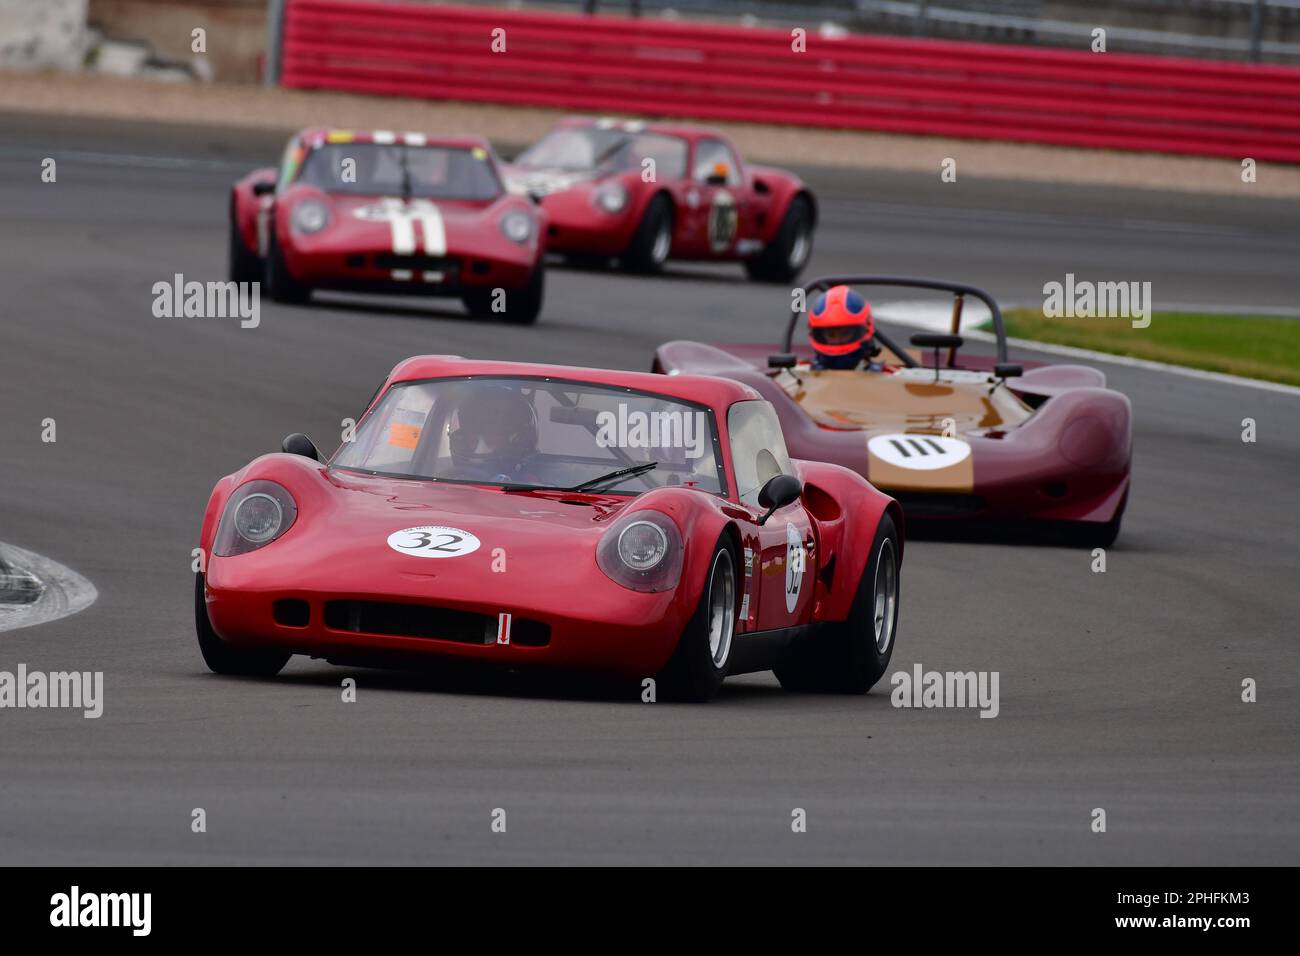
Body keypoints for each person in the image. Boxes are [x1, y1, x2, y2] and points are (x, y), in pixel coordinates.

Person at [447, 386, 540, 482]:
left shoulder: (528, 484)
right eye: (473, 440)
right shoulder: (447, 477)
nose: (479, 450)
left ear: (516, 440)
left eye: (490, 441)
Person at [808, 285, 884, 371]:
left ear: (866, 329)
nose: (837, 341)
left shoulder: (887, 376)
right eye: (831, 335)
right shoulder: (801, 376)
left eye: (845, 333)